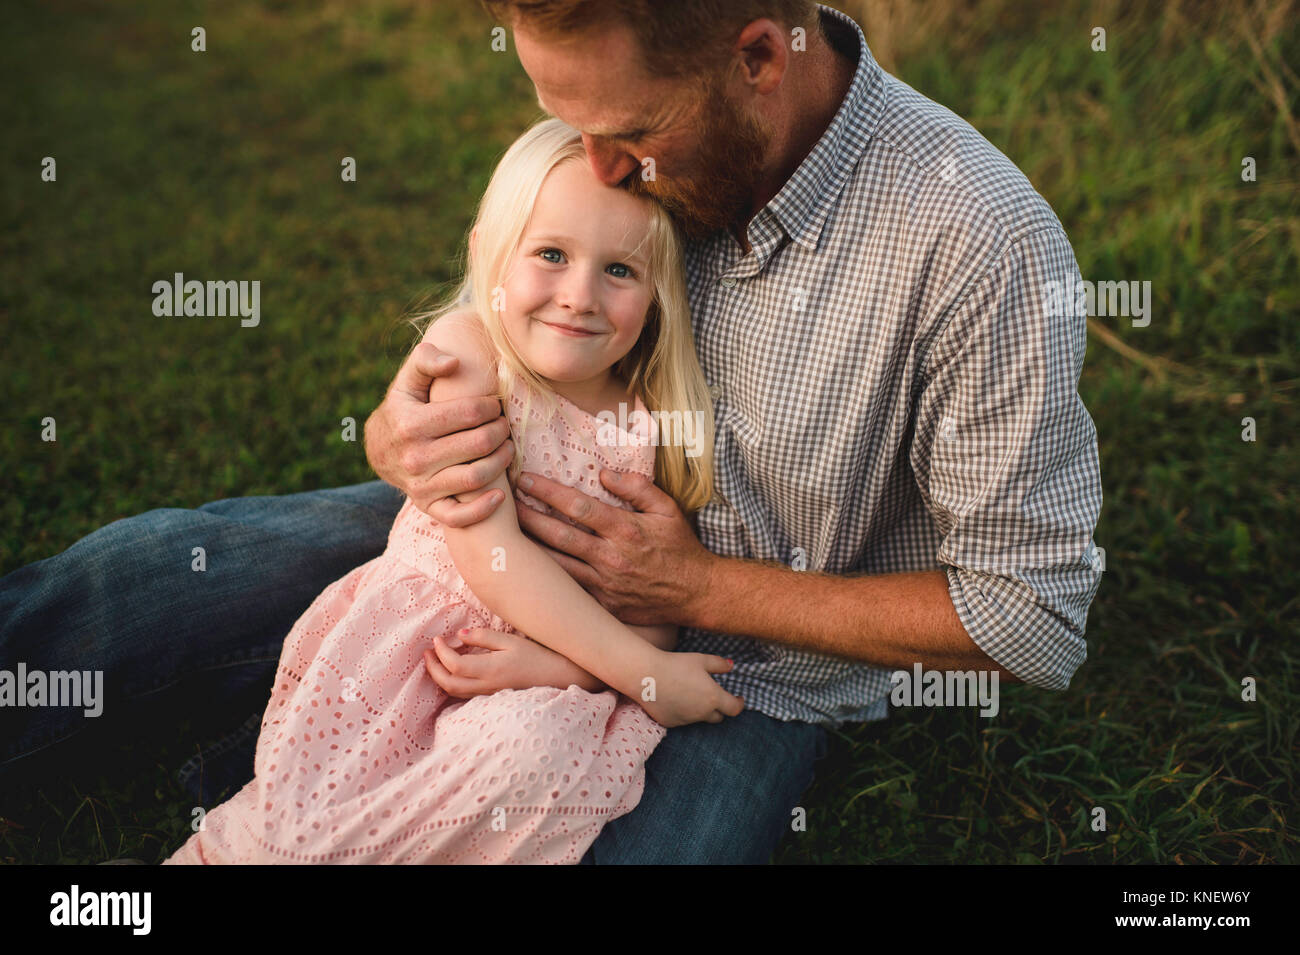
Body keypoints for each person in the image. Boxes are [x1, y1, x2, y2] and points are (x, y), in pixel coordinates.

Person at [1, 1, 1102, 864]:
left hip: (752, 665)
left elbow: (1030, 615)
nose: (603, 168)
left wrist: (694, 591)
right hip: (498, 531)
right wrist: (409, 429)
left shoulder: (976, 245)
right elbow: (509, 292)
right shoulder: (654, 125)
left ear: (758, 61)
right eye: (577, 128)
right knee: (139, 577)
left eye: (624, 137)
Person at [162, 117, 741, 864]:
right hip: (412, 646)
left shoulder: (645, 422)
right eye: (552, 254)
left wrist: (560, 668)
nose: (579, 295)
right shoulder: (473, 353)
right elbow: (487, 549)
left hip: (541, 673)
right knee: (305, 815)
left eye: (620, 271)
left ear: (658, 294)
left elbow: (654, 600)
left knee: (526, 755)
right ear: (488, 254)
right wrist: (648, 678)